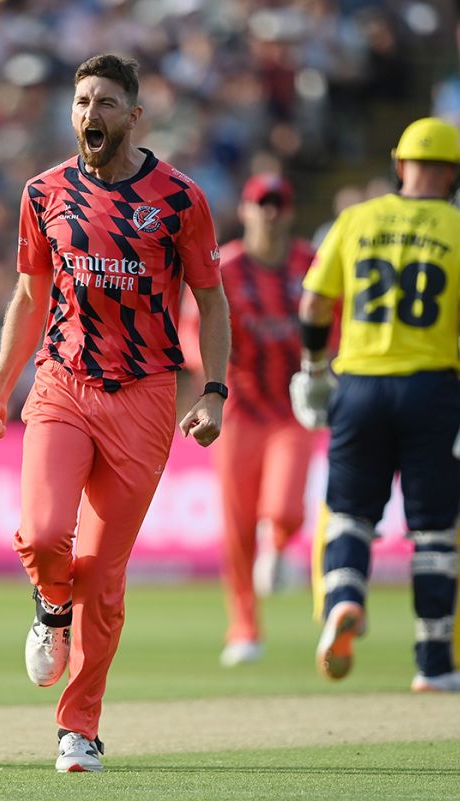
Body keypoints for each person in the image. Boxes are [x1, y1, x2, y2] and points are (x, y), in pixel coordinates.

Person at [0, 53, 230, 772]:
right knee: (46, 534)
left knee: (102, 573)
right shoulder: (44, 192)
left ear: (134, 116)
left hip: (146, 395)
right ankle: (52, 605)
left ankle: (77, 727)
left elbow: (211, 299)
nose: (91, 114)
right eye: (82, 101)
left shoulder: (178, 197)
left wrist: (214, 391)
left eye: (106, 102)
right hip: (62, 384)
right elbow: (28, 297)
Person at [289, 117, 460, 694]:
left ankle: (343, 599)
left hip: (357, 387)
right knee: (434, 530)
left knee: (349, 515)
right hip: (430, 390)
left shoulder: (355, 220)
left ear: (399, 163)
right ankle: (434, 663)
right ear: (455, 174)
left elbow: (312, 305)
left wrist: (314, 368)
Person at [179, 173, 318, 668]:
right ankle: (244, 627)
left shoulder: (310, 265)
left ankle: (278, 542)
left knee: (285, 508)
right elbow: (195, 329)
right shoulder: (228, 267)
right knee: (237, 526)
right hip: (237, 411)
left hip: (294, 410)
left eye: (279, 203)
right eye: (263, 203)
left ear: (291, 210)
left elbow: (335, 323)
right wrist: (206, 390)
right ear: (246, 209)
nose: (271, 213)